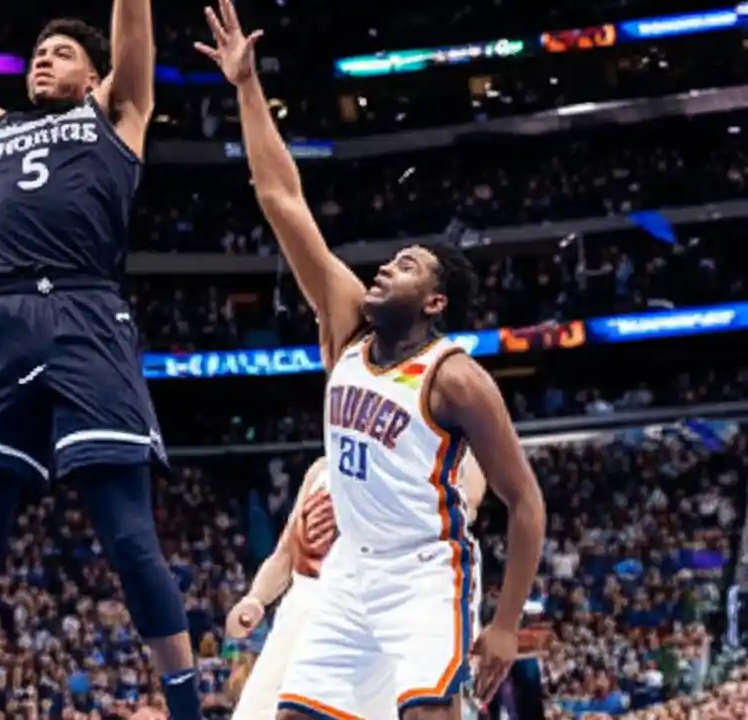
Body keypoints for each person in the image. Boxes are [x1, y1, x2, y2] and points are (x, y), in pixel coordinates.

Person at [195, 3, 547, 718]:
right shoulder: (347, 330)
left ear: (435, 302)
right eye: (391, 260)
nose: (386, 267)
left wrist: (507, 624)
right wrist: (246, 86)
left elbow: (525, 500)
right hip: (348, 574)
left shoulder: (456, 377)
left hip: (425, 574)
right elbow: (281, 198)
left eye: (407, 266)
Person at [0, 3, 204, 719]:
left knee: (128, 536)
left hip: (86, 312)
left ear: (93, 76)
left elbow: (134, 32)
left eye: (61, 52)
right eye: (39, 51)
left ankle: (188, 709)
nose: (43, 58)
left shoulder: (115, 111)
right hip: (1, 318)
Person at [228, 454, 488, 720]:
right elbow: (284, 554)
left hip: (364, 613)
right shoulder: (322, 471)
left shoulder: (419, 471)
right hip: (299, 613)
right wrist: (255, 599)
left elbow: (469, 496)